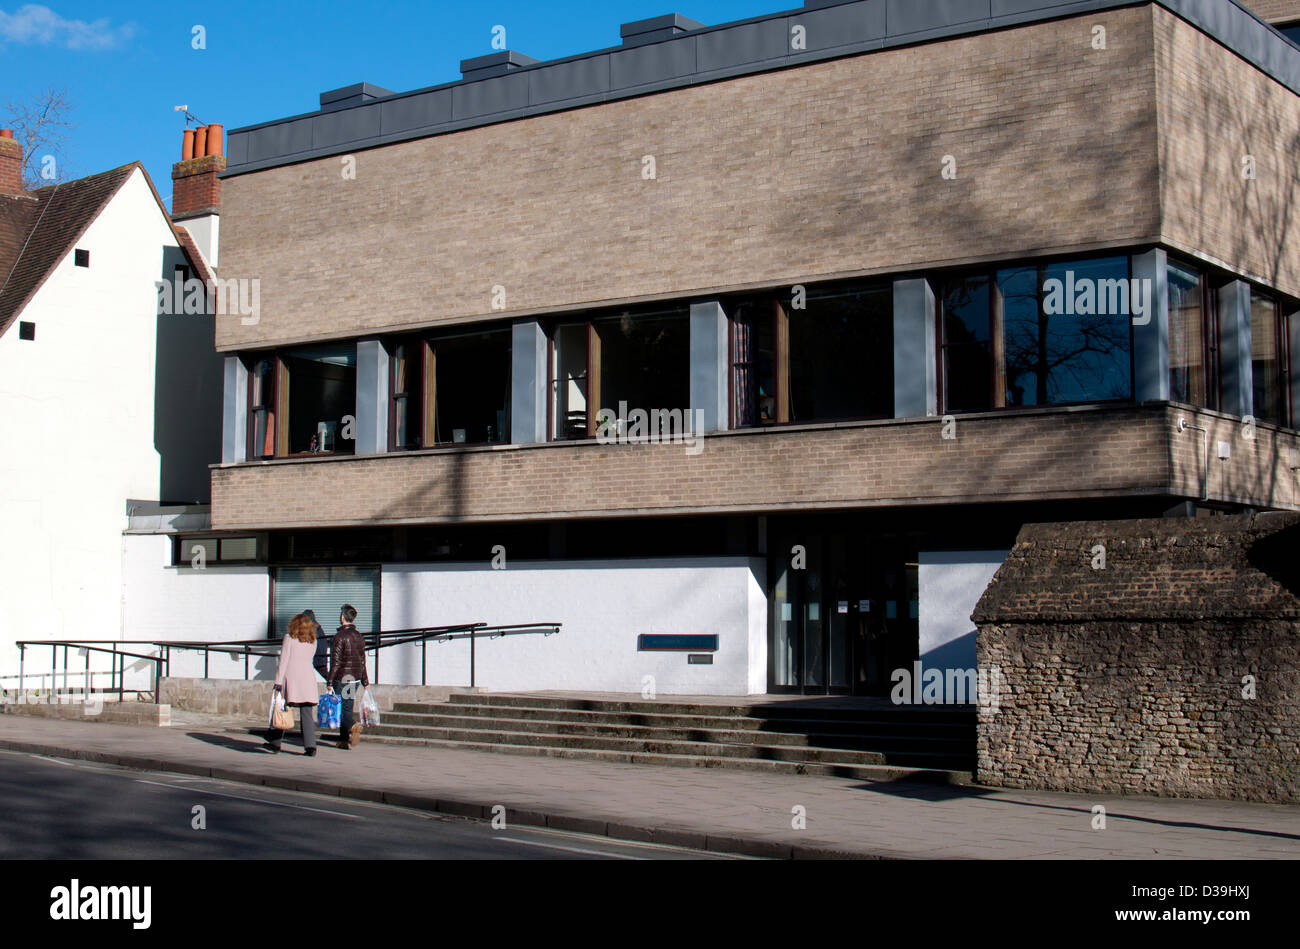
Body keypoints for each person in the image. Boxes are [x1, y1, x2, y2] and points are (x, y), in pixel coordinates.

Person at [264, 613, 321, 756]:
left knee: (282, 709)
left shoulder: (289, 639)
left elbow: (283, 660)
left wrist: (278, 681)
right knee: (307, 714)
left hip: (292, 679)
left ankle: (275, 743)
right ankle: (310, 746)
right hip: (308, 679)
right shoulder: (313, 641)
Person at [327, 603, 370, 750]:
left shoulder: (339, 637)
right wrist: (365, 680)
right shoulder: (359, 636)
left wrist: (330, 680)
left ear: (342, 617)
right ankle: (343, 740)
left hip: (343, 678)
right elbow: (362, 659)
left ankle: (353, 726)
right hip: (355, 678)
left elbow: (336, 661)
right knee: (347, 707)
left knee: (341, 709)